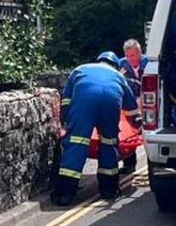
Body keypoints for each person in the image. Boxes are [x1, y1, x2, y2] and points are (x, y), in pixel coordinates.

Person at [52, 52, 141, 206]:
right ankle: (109, 189)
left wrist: (66, 122)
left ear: (99, 60)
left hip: (84, 102)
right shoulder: (119, 77)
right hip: (110, 103)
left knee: (77, 143)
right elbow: (131, 109)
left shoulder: (80, 70)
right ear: (115, 65)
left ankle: (65, 193)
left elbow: (66, 100)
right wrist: (137, 126)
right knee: (109, 142)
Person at [117, 38, 148, 174]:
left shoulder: (150, 63)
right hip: (129, 106)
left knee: (148, 135)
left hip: (148, 104)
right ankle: (129, 164)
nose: (130, 59)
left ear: (140, 53)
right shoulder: (120, 65)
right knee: (128, 135)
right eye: (128, 55)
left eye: (133, 55)